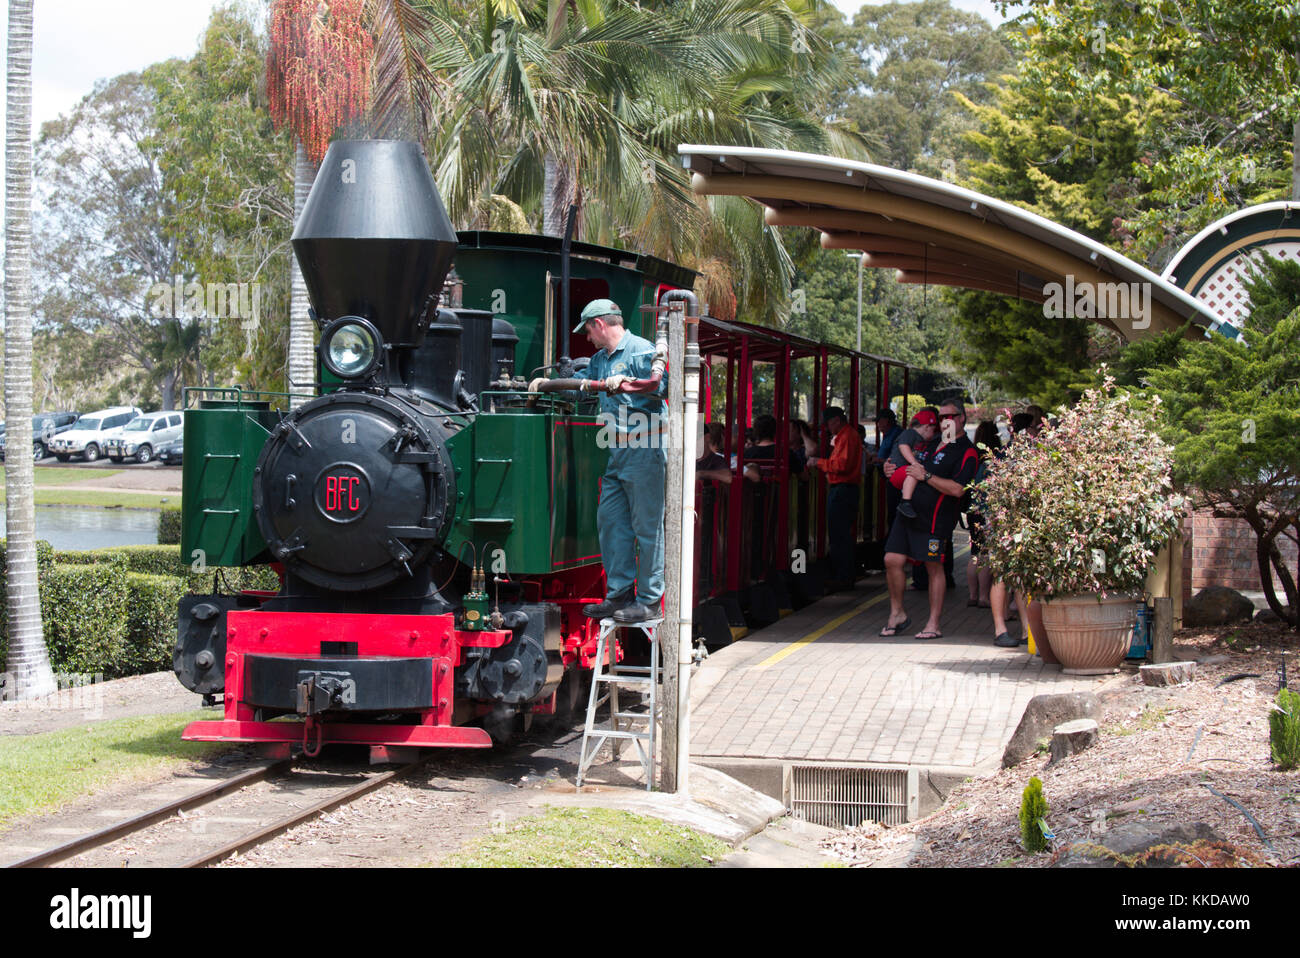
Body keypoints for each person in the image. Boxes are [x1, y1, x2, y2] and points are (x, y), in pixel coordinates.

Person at [570, 298, 668, 624]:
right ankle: (620, 593)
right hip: (617, 451)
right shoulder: (601, 359)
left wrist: (627, 383)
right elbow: (583, 387)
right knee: (611, 522)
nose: (588, 338)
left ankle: (650, 600)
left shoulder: (641, 350)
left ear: (599, 324)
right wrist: (551, 381)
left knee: (647, 527)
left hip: (645, 447)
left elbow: (662, 385)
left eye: (588, 330)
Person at [880, 400, 978, 640]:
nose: (943, 421)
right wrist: (890, 469)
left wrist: (926, 476)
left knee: (933, 566)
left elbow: (957, 489)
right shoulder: (929, 441)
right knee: (891, 559)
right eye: (940, 416)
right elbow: (907, 464)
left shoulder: (967, 451)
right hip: (908, 512)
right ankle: (897, 614)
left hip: (936, 519)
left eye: (949, 416)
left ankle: (933, 624)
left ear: (961, 418)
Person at [808, 406, 863, 589]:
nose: (827, 428)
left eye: (828, 424)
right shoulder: (845, 436)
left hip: (843, 489)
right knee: (840, 534)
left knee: (839, 535)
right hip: (844, 489)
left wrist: (819, 462)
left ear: (837, 421)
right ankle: (843, 575)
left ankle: (843, 577)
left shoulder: (847, 437)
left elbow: (842, 465)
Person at [965, 420, 1001, 609]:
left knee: (975, 553)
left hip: (973, 511)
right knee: (987, 555)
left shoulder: (972, 456)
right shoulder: (995, 459)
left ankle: (972, 594)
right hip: (989, 512)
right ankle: (984, 597)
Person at [890, 409, 939, 519]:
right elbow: (903, 446)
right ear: (927, 427)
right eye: (933, 429)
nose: (934, 433)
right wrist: (915, 463)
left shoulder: (921, 439)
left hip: (903, 472)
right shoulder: (910, 433)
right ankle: (905, 502)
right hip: (898, 469)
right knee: (914, 472)